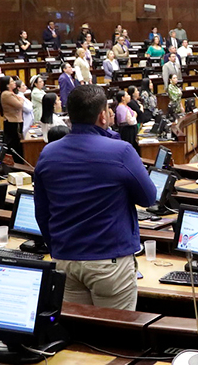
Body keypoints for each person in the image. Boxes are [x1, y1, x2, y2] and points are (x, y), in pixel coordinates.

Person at [34, 85, 156, 309]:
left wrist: (58, 250)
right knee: (115, 336)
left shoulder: (48, 153)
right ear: (102, 116)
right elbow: (149, 198)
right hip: (109, 261)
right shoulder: (121, 151)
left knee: (80, 337)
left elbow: (42, 212)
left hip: (66, 259)